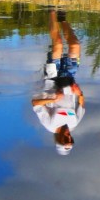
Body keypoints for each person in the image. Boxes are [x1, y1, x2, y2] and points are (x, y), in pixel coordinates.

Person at [31, 11, 86, 155]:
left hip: (52, 78)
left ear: (59, 139)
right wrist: (78, 92)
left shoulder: (49, 125)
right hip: (69, 77)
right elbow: (81, 102)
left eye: (66, 138)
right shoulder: (74, 122)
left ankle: (52, 11)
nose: (69, 135)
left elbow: (35, 104)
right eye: (70, 138)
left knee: (58, 44)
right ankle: (62, 18)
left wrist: (53, 99)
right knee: (75, 44)